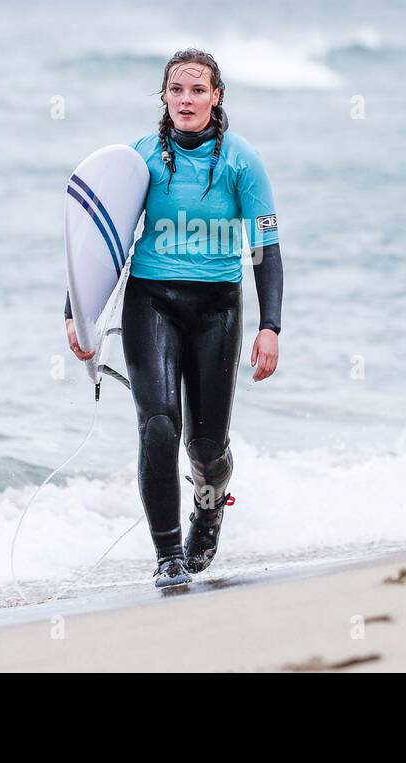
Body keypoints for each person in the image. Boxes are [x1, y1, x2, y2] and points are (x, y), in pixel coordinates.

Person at [65, 48, 283, 588]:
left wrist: (270, 326)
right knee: (159, 426)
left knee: (207, 448)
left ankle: (208, 513)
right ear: (163, 96)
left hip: (216, 309)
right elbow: (99, 240)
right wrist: (76, 312)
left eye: (197, 90)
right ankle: (168, 557)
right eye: (176, 90)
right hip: (152, 301)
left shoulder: (241, 161)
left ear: (216, 97)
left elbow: (266, 249)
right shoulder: (138, 159)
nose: (186, 99)